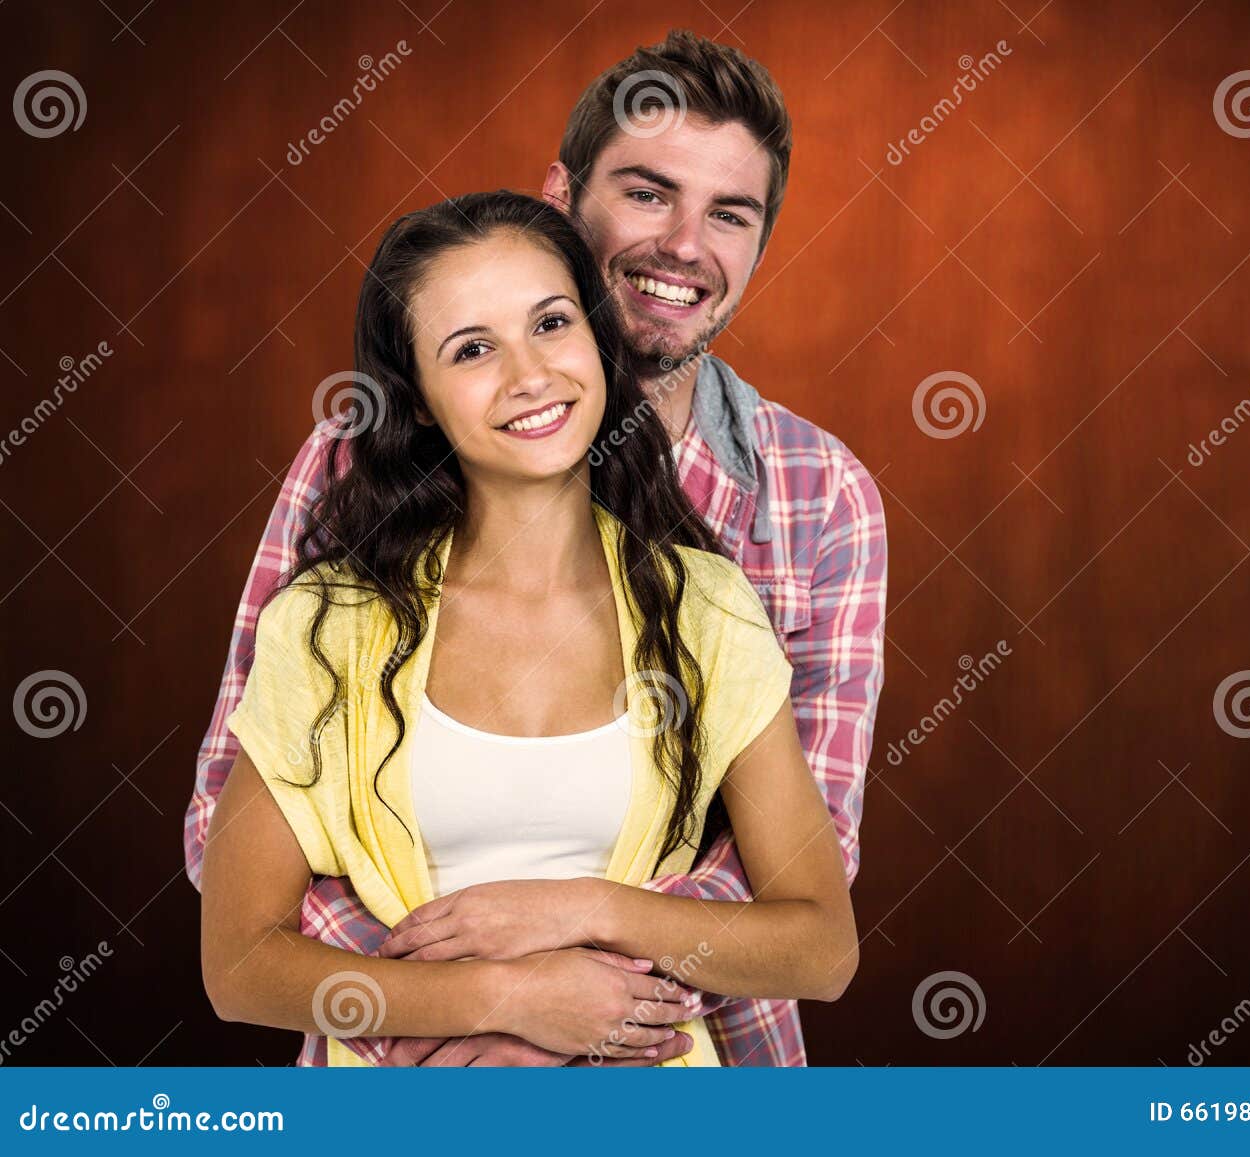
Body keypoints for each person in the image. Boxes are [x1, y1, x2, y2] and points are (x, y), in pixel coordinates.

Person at [185, 29, 888, 1067]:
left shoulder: (814, 505)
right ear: (561, 196)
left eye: (728, 214)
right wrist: (466, 1004)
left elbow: (800, 885)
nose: (685, 244)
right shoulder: (354, 478)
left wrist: (584, 995)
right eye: (648, 193)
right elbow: (227, 836)